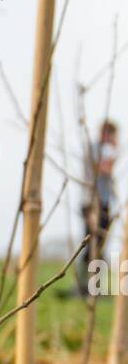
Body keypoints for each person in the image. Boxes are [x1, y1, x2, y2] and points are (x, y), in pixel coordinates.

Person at [78, 119, 119, 292]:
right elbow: (103, 169)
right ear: (106, 134)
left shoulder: (100, 149)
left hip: (102, 202)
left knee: (100, 245)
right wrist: (116, 152)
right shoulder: (95, 148)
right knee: (91, 245)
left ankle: (95, 287)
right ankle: (83, 286)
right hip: (93, 203)